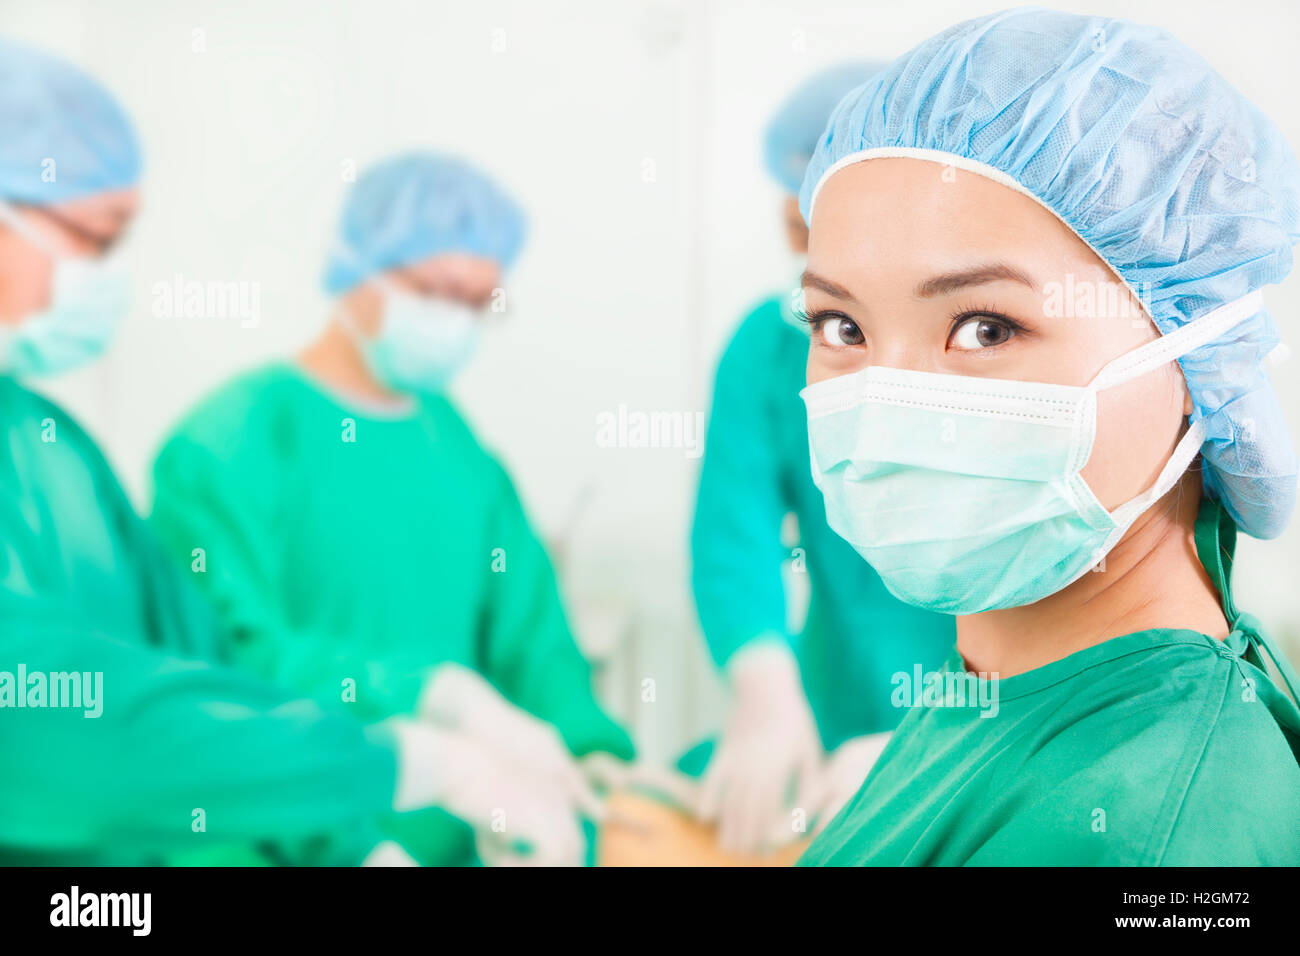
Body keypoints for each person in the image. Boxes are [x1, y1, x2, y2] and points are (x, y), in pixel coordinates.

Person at [0, 39, 574, 868]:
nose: (105, 276)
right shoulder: (228, 442)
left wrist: (348, 835)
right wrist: (405, 761)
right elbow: (54, 718)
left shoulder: (50, 450)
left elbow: (201, 675)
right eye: (95, 238)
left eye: (474, 299)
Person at [793, 9, 1300, 865]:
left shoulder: (1151, 836)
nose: (889, 402)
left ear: (1194, 351)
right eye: (841, 326)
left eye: (984, 327)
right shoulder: (1006, 682)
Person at [149, 151, 635, 867]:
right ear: (360, 270)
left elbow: (533, 635)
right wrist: (426, 704)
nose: (456, 321)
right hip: (273, 836)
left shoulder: (456, 447)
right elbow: (228, 667)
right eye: (437, 292)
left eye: (478, 303)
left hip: (459, 839)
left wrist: (588, 758)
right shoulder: (226, 445)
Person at [687, 63, 955, 854]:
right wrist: (764, 688)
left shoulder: (986, 360)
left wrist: (957, 740)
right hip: (832, 710)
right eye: (807, 237)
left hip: (1005, 726)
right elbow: (730, 540)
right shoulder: (764, 351)